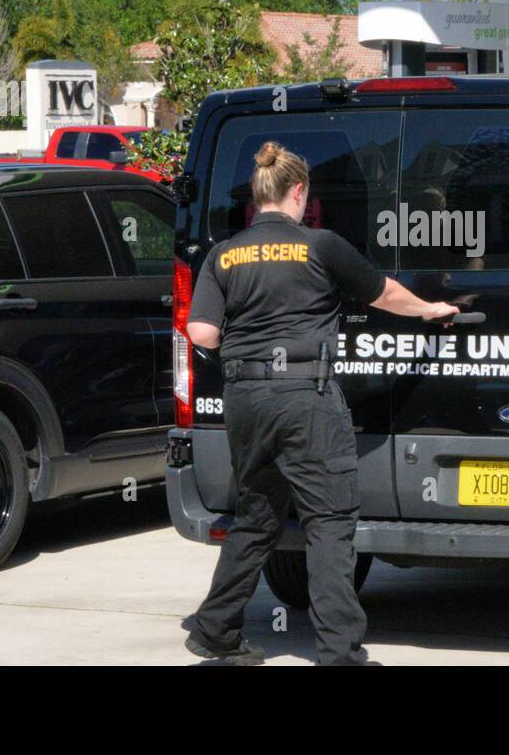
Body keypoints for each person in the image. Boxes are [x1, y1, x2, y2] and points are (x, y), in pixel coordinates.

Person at [185, 141, 458, 666]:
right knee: (329, 521)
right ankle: (339, 653)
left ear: (256, 196)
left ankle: (216, 630)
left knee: (257, 516)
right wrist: (430, 309)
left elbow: (202, 331)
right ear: (298, 193)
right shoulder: (322, 245)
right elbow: (383, 293)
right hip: (305, 398)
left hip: (245, 398)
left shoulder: (224, 253)